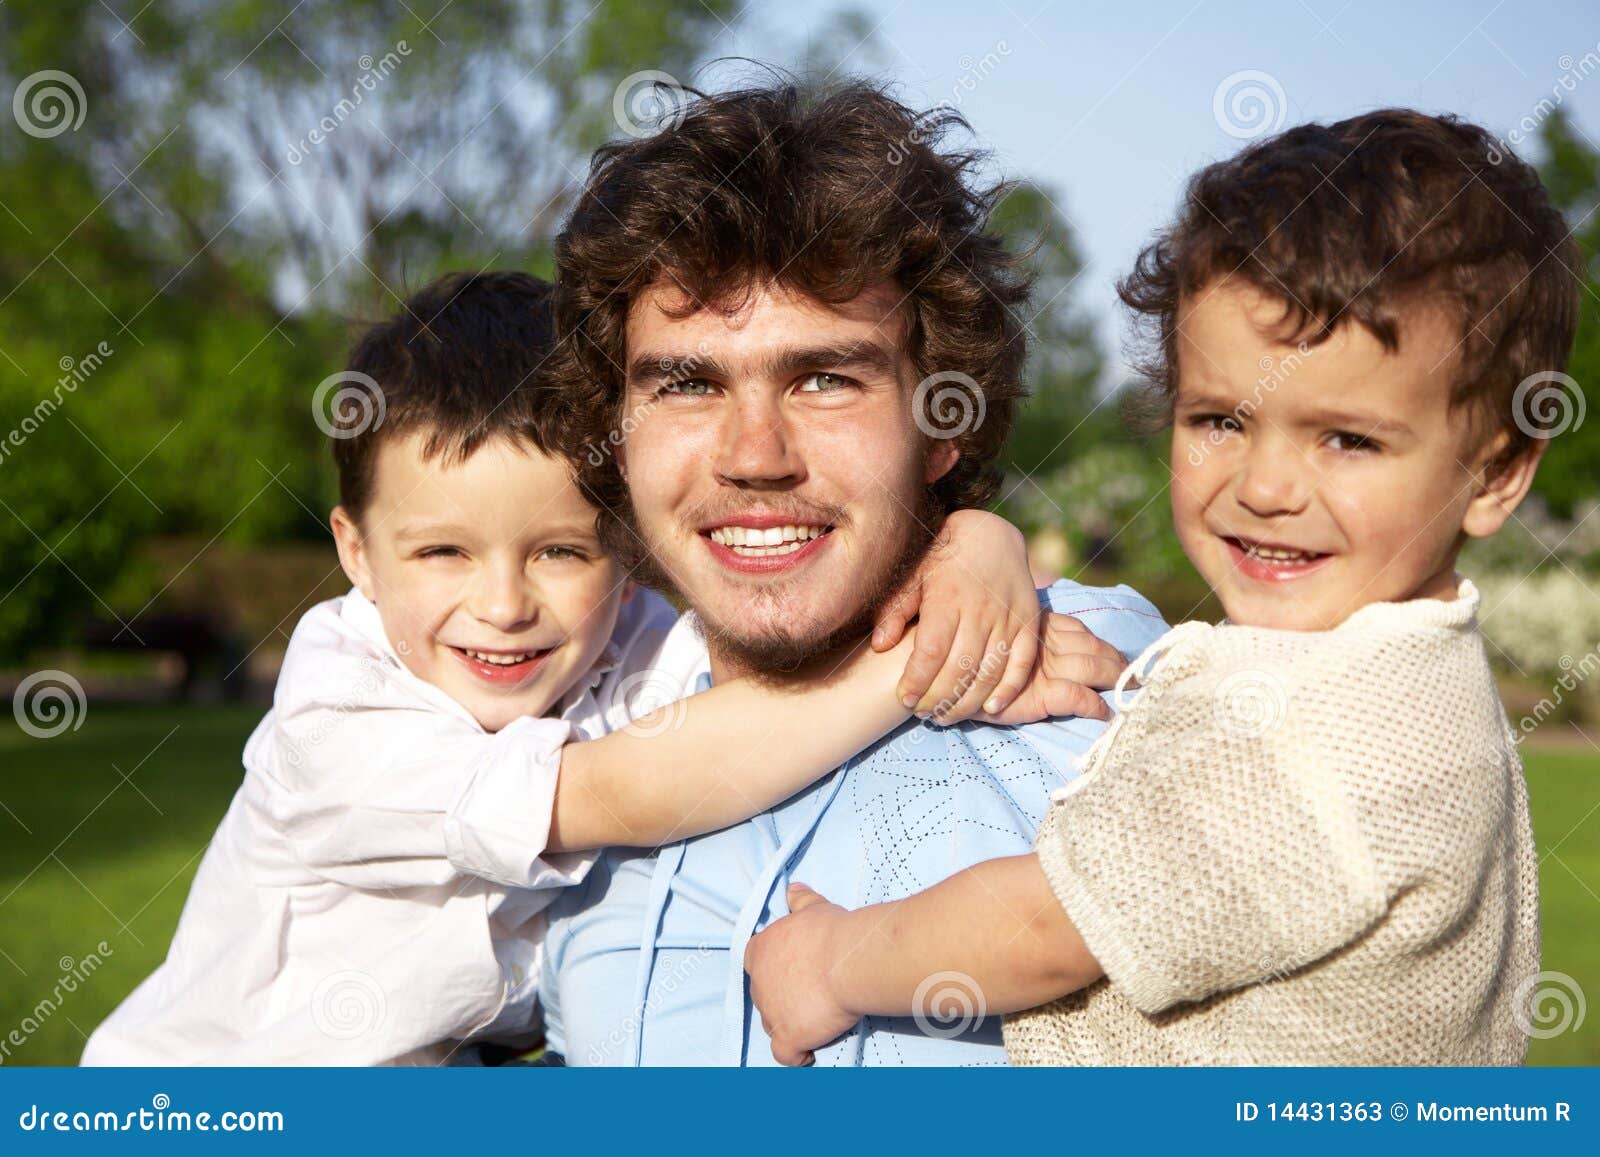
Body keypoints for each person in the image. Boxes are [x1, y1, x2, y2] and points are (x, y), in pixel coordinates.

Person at [80, 272, 1119, 1066]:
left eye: (560, 550)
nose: (505, 603)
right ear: (355, 552)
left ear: (620, 549)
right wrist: (928, 666)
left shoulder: (617, 641)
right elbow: (631, 787)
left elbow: (758, 673)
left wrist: (972, 544)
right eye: (442, 551)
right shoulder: (339, 715)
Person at [744, 108, 1579, 1066]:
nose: (1264, 488)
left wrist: (834, 962)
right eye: (1221, 419)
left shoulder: (1333, 742)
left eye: (1347, 438)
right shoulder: (1398, 672)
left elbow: (1045, 926)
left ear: (1498, 473)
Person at [533, 82, 1169, 1066]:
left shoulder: (1118, 697)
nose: (755, 454)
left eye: (824, 376)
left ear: (942, 420)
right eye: (689, 381)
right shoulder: (553, 789)